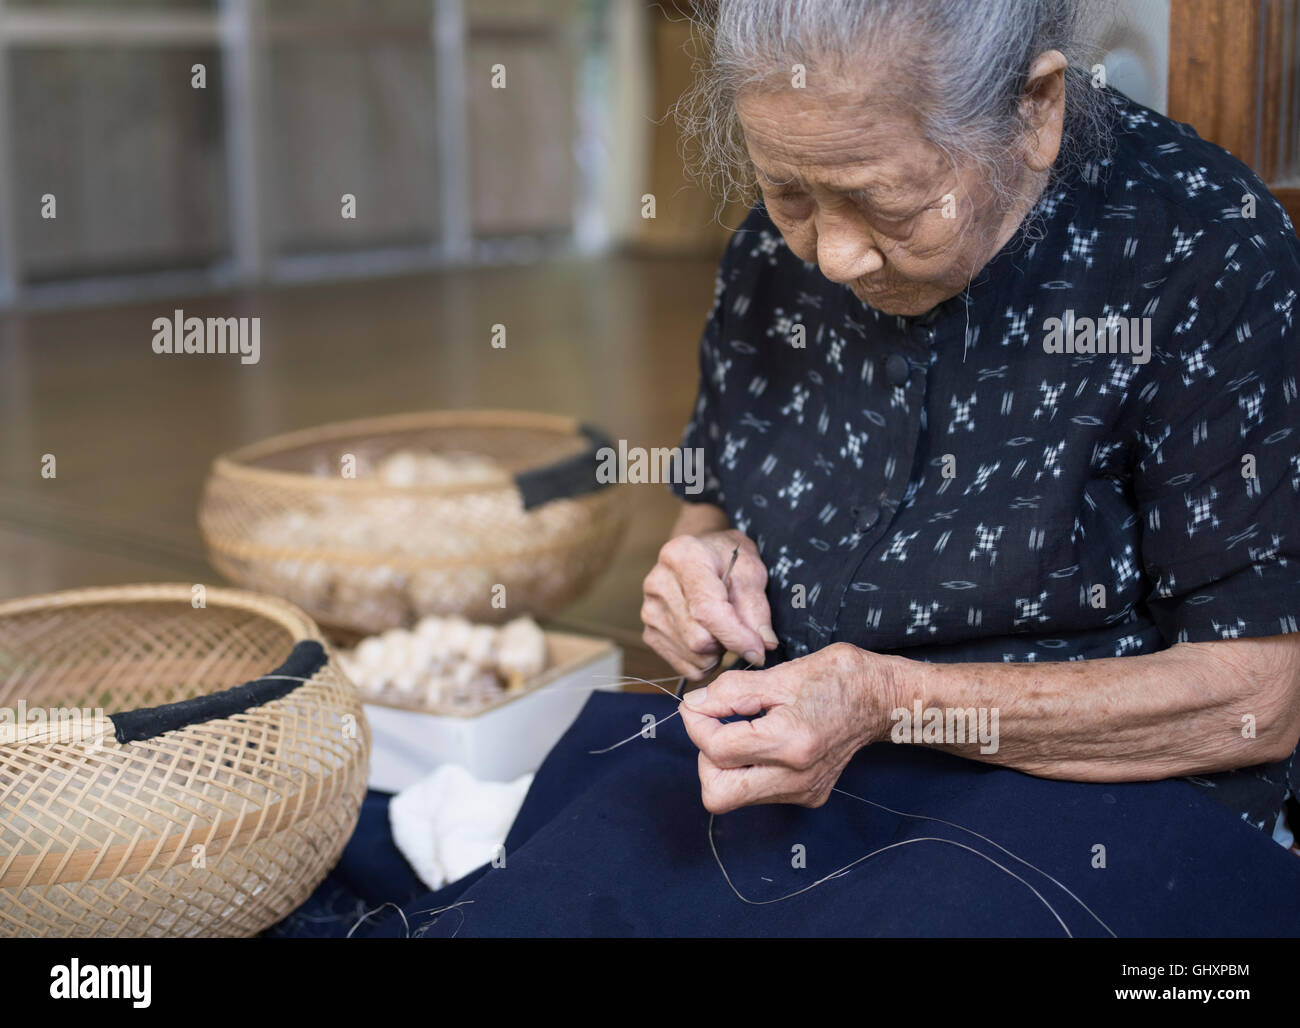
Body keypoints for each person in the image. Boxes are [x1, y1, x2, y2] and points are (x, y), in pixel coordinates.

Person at [643, 0, 1300, 835]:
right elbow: (717, 503)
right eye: (787, 190)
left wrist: (890, 703)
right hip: (787, 753)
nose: (833, 257)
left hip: (1082, 802)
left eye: (883, 203)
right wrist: (701, 565)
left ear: (1035, 110)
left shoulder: (1200, 249)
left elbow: (1259, 698)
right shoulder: (771, 252)